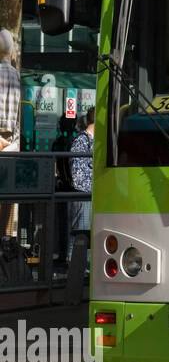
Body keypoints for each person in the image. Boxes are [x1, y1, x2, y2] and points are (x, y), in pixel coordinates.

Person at [0, 28, 21, 241]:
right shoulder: (15, 75)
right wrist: (13, 142)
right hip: (10, 144)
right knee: (8, 198)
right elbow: (17, 118)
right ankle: (5, 241)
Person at [67, 106, 94, 264]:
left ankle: (80, 267)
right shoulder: (82, 140)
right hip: (83, 194)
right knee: (79, 234)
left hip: (86, 193)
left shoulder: (87, 140)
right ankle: (76, 269)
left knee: (83, 234)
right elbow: (78, 175)